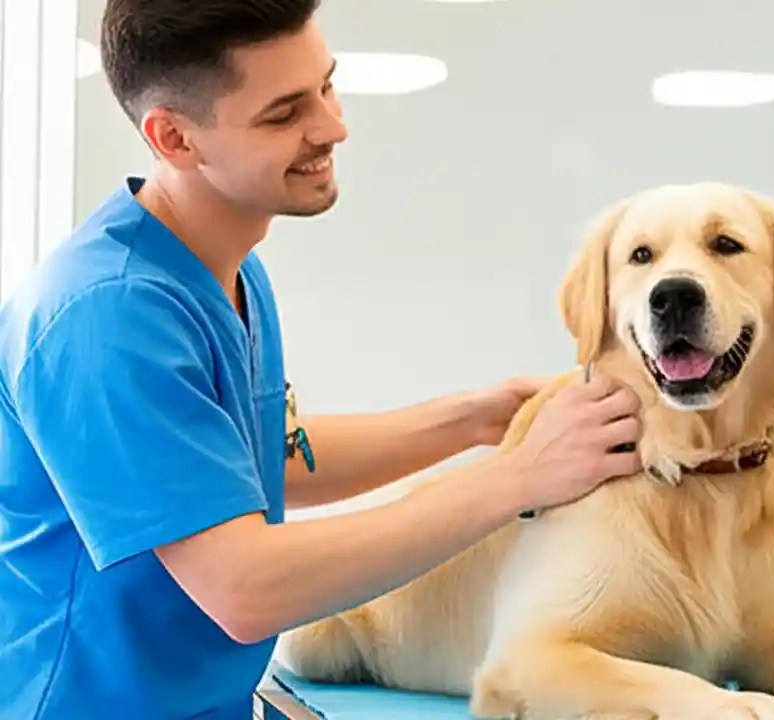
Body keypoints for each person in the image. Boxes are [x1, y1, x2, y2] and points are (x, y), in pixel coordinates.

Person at [0, 1, 643, 718]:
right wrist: (521, 477)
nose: (334, 127)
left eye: (327, 87)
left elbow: (258, 457)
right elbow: (246, 589)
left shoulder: (225, 269)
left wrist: (476, 420)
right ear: (175, 137)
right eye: (284, 114)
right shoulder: (106, 319)